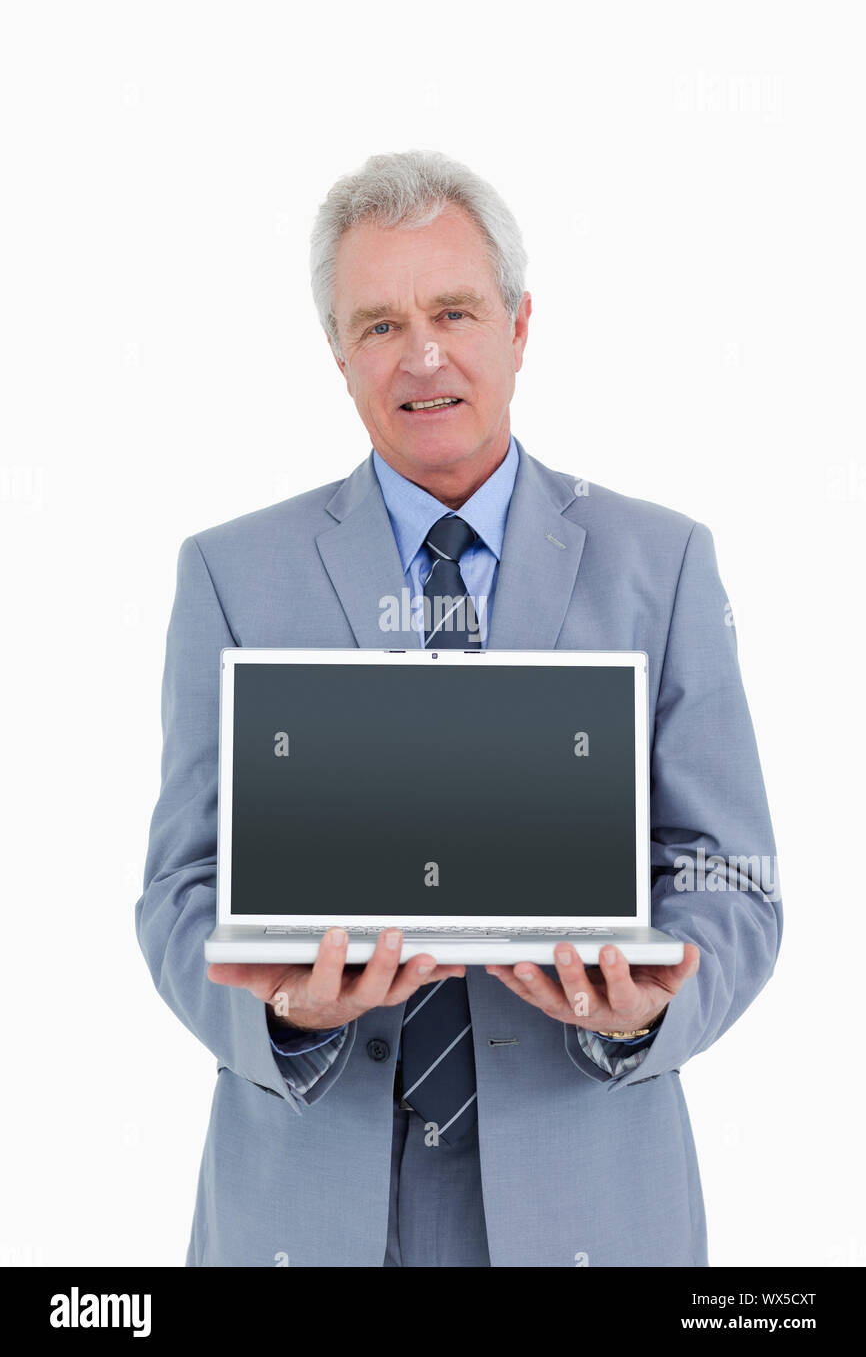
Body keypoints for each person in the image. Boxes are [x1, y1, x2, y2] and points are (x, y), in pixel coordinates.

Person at [137, 149, 781, 1267]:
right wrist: (280, 1008)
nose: (421, 354)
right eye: (378, 323)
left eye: (453, 310)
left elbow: (728, 872)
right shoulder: (231, 575)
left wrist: (648, 997)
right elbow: (180, 888)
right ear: (337, 354)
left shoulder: (659, 564)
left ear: (519, 327)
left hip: (582, 1201)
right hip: (306, 1204)